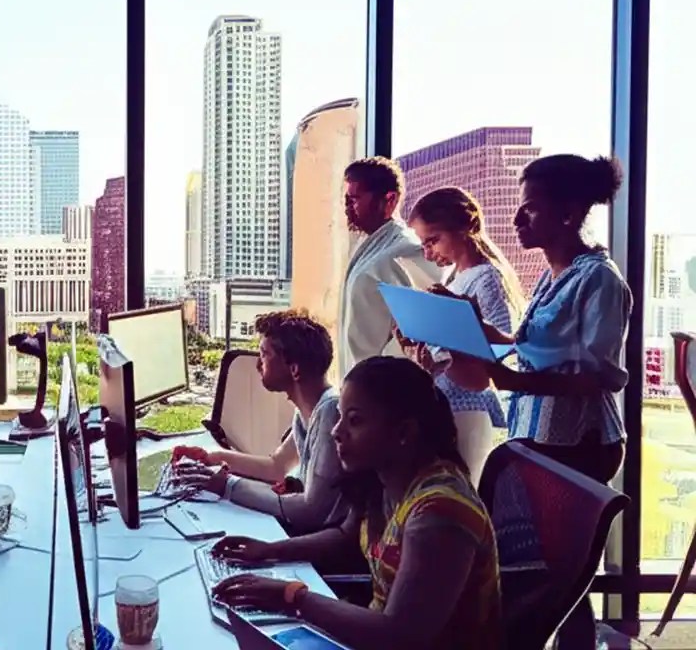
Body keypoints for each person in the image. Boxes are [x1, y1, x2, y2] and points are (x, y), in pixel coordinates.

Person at [445, 154, 630, 649]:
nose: (515, 219)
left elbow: (601, 377)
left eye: (529, 209)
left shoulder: (600, 280)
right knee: (554, 576)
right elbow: (536, 349)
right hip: (537, 436)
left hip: (577, 442)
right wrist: (471, 325)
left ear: (568, 214)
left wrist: (511, 380)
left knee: (560, 576)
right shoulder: (554, 275)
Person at [210, 356, 501, 650]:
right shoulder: (386, 479)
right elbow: (345, 536)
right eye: (339, 416)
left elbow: (400, 635)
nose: (336, 431)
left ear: (404, 433)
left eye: (355, 420)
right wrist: (270, 551)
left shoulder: (440, 511)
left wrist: (293, 597)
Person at [170, 310, 346, 537]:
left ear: (294, 369)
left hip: (323, 547)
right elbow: (277, 467)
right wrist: (211, 458)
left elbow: (310, 510)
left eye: (264, 354)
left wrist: (227, 487)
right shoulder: (310, 410)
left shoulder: (330, 413)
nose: (257, 364)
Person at [402, 186, 525, 485]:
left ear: (465, 227)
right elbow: (451, 354)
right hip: (449, 404)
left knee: (457, 492)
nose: (428, 252)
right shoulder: (455, 278)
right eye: (424, 244)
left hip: (469, 409)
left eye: (433, 240)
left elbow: (499, 354)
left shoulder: (486, 278)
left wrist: (453, 327)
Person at [337, 157, 444, 375]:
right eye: (346, 199)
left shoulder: (409, 251)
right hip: (359, 382)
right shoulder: (367, 246)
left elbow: (420, 331)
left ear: (389, 200)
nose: (347, 207)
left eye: (355, 199)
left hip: (383, 389)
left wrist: (383, 377)